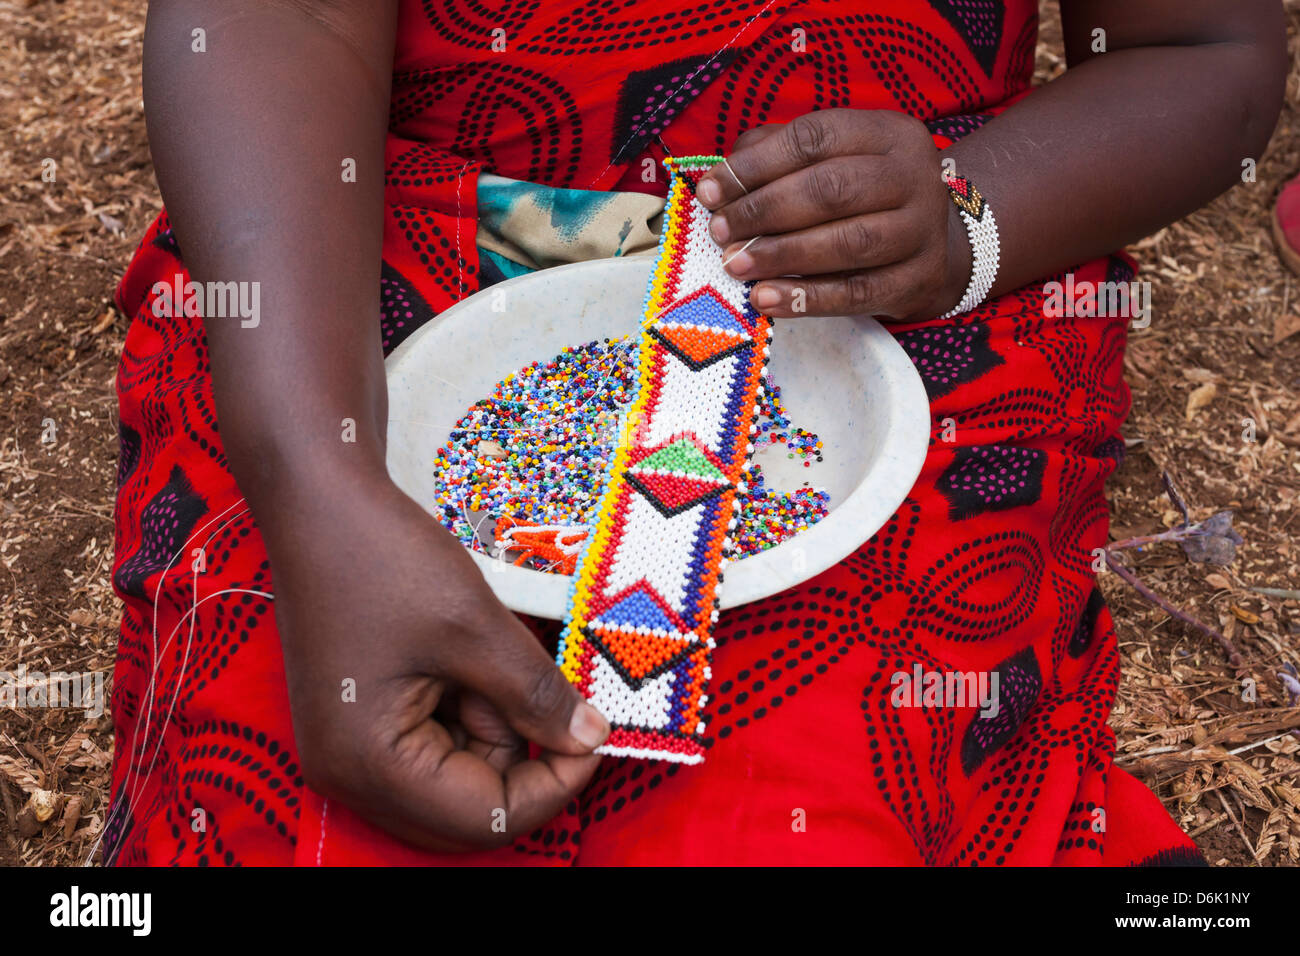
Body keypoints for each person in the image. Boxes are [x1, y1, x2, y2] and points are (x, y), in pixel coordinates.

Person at [106, 0, 1285, 865]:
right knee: (300, 807)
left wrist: (967, 217)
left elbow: (1200, 54)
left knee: (817, 812)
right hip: (353, 268)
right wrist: (317, 476)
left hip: (890, 275)